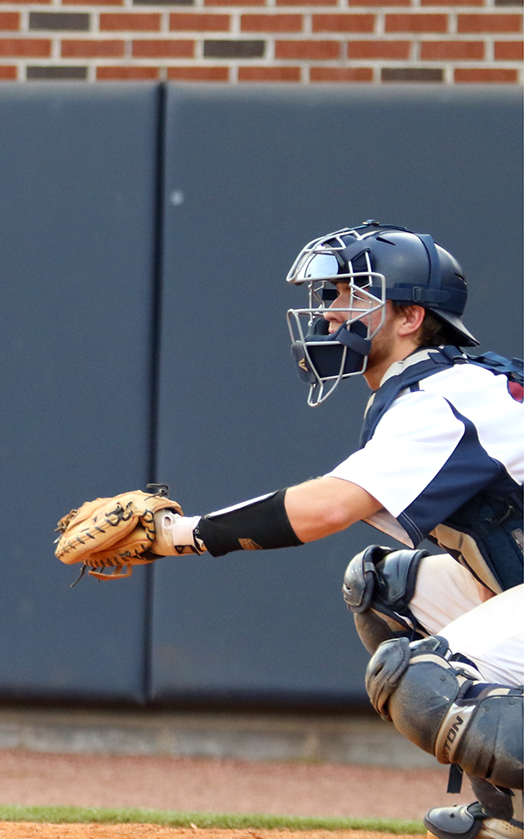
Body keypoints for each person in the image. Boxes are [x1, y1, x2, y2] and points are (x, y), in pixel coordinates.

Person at [107, 222, 521, 839]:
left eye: (350, 295)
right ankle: (510, 816)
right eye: (328, 296)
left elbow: (324, 510)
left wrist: (175, 533)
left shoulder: (444, 396)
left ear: (409, 316)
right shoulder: (452, 380)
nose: (328, 313)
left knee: (423, 684)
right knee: (385, 586)